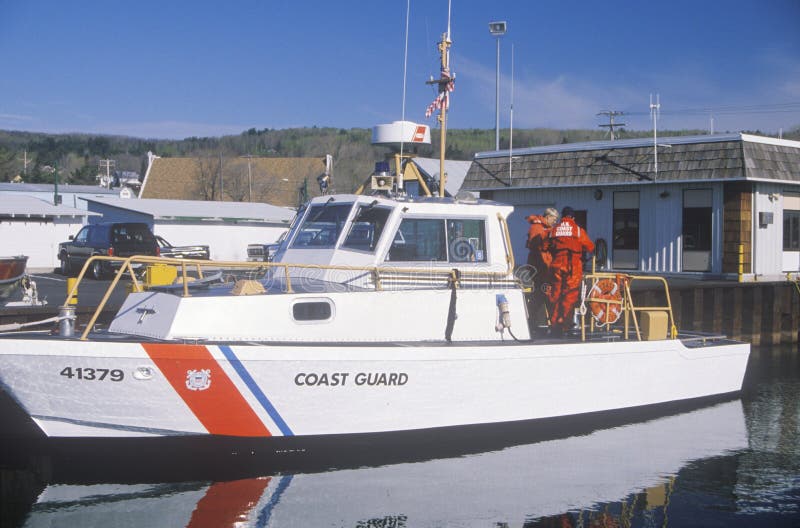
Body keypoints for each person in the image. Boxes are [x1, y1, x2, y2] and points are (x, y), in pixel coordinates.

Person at [546, 206, 594, 335]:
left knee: (555, 294)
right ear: (573, 217)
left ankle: (555, 324)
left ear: (562, 217)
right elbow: (590, 246)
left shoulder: (554, 230)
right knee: (569, 296)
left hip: (556, 265)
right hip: (573, 266)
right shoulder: (578, 230)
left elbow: (545, 246)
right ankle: (565, 326)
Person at [524, 208, 559, 336]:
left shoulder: (544, 228)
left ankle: (537, 323)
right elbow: (536, 247)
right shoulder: (537, 228)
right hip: (539, 268)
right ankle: (533, 323)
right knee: (542, 295)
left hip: (544, 267)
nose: (555, 222)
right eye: (554, 219)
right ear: (548, 216)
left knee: (542, 295)